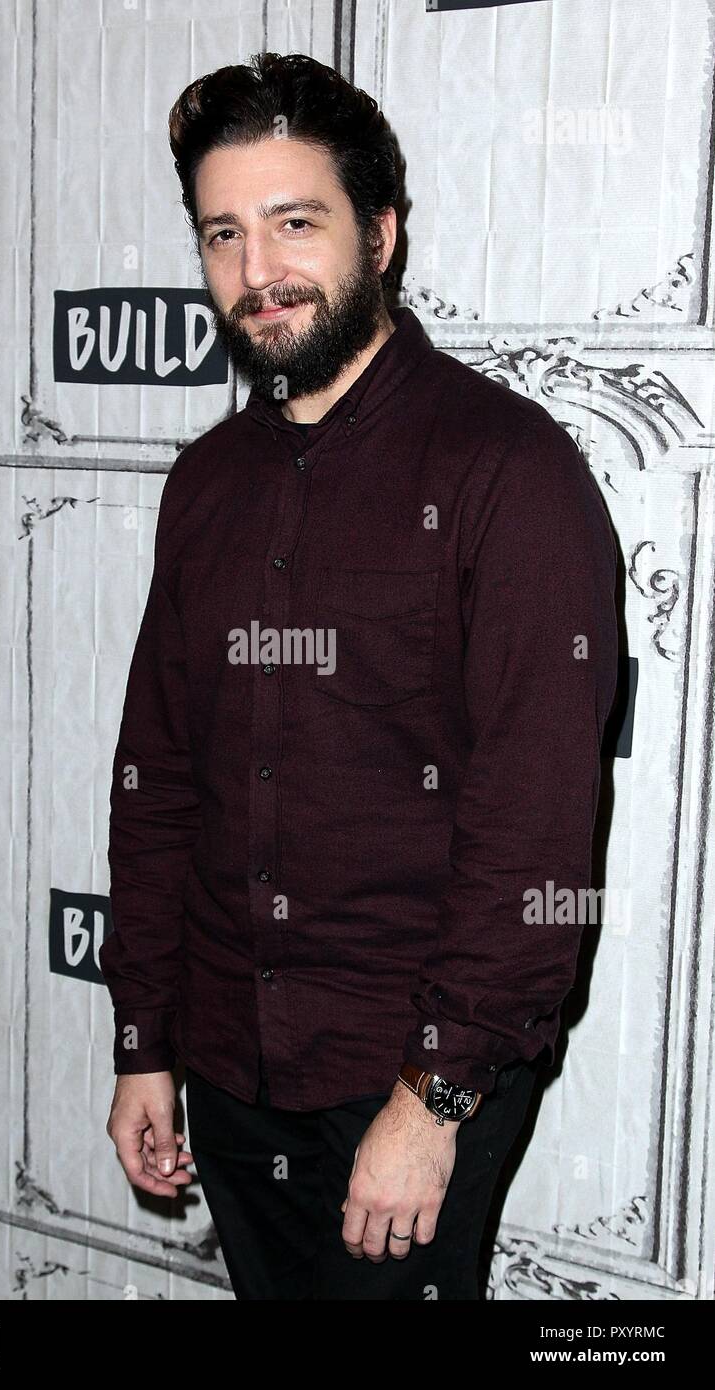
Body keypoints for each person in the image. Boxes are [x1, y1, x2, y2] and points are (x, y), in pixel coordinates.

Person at [100, 51, 619, 1300]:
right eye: (222, 234)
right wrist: (144, 1042)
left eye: (294, 222)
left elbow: (537, 831)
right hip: (226, 1063)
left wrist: (431, 1098)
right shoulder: (204, 485)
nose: (256, 271)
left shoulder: (509, 473)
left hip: (405, 1080)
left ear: (379, 234)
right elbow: (160, 778)